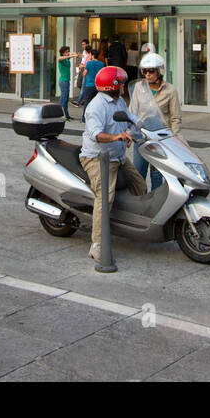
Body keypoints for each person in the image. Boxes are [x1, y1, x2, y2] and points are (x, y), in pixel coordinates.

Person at [81, 66, 147, 263]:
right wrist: (118, 136)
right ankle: (98, 245)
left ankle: (131, 225)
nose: (124, 88)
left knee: (140, 185)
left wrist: (147, 128)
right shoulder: (96, 106)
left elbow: (132, 120)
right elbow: (97, 135)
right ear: (113, 86)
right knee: (105, 198)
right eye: (122, 84)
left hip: (117, 157)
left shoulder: (119, 102)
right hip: (98, 158)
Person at [129, 52, 182, 189]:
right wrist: (130, 131)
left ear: (160, 71)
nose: (147, 74)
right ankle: (139, 202)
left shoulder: (170, 91)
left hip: (160, 139)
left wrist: (173, 137)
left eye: (151, 71)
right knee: (138, 173)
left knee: (157, 174)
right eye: (144, 71)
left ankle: (156, 203)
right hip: (141, 137)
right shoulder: (139, 88)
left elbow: (175, 117)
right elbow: (131, 112)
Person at [55, 45, 73, 118]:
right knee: (63, 98)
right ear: (62, 53)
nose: (68, 53)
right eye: (66, 52)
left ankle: (67, 115)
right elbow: (59, 58)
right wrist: (69, 56)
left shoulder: (67, 60)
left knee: (66, 99)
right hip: (63, 81)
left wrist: (74, 55)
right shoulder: (61, 60)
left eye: (68, 51)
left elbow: (71, 55)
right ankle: (60, 114)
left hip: (67, 81)